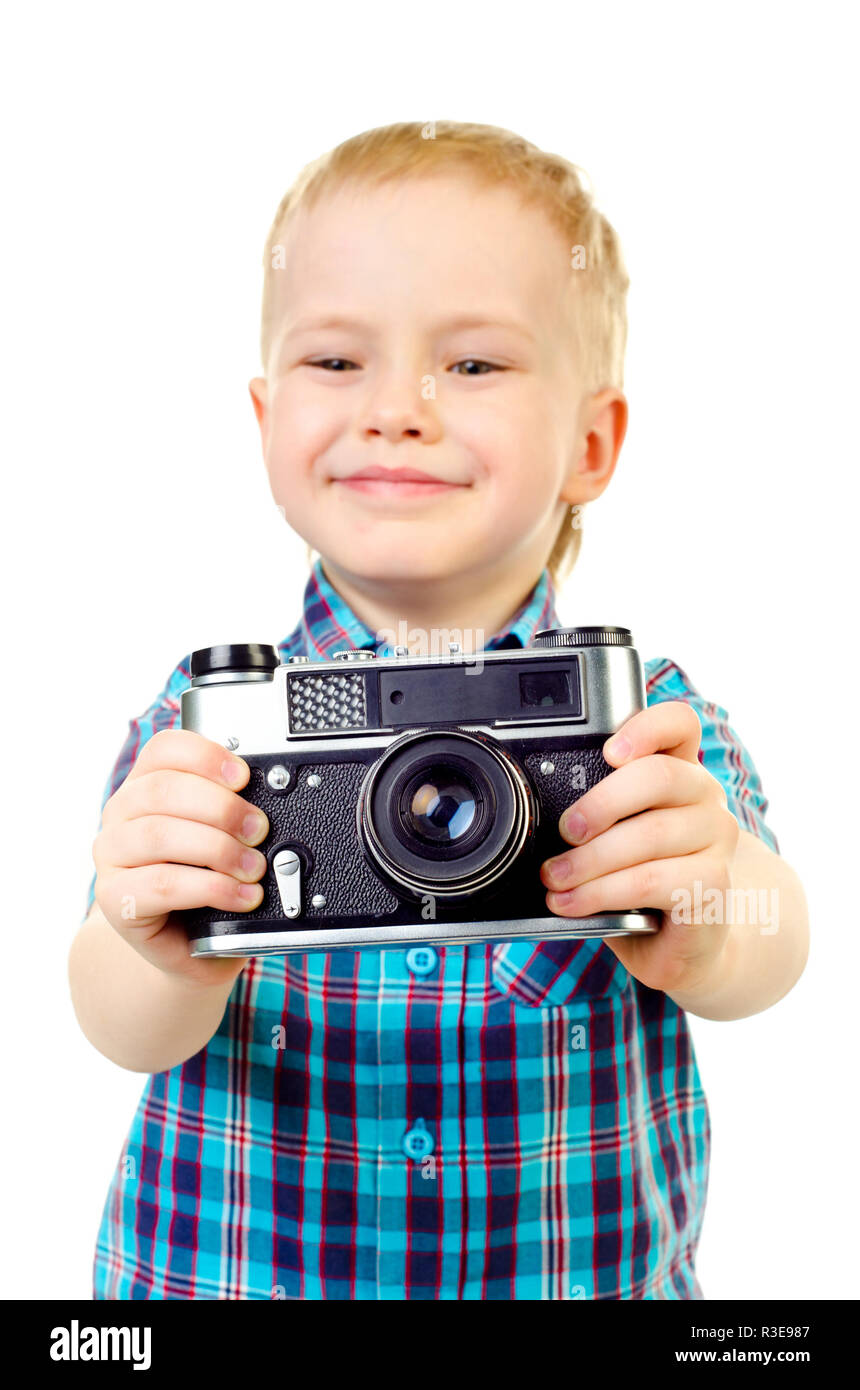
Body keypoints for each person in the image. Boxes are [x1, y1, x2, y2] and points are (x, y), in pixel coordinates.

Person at [69, 120, 809, 1300]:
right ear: (264, 420)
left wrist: (709, 914)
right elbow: (114, 1015)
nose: (397, 409)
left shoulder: (640, 721)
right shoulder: (212, 722)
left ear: (590, 440)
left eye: (470, 365)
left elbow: (769, 949)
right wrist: (157, 947)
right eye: (334, 362)